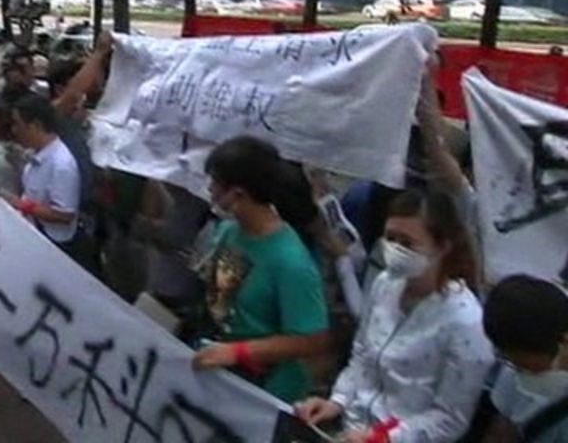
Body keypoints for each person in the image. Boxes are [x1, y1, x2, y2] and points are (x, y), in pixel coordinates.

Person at [296, 190, 493, 442]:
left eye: (407, 243)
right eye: (390, 238)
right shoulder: (385, 283)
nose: (395, 249)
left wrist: (387, 437)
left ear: (442, 247)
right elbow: (362, 354)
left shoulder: (466, 323)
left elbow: (450, 418)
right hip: (350, 429)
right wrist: (337, 401)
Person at [191, 137, 330, 404]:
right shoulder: (229, 231)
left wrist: (239, 352)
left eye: (215, 183)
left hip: (262, 390)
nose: (209, 189)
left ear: (238, 195)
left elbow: (312, 339)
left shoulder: (291, 263)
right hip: (218, 370)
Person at [482, 275, 568, 443]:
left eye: (524, 367)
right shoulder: (517, 347)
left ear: (563, 344)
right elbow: (504, 426)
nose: (520, 373)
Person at [5, 94, 86, 262]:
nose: (14, 130)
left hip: (53, 246)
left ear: (36, 126)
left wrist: (21, 205)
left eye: (18, 124)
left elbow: (64, 215)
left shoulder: (61, 164)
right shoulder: (36, 153)